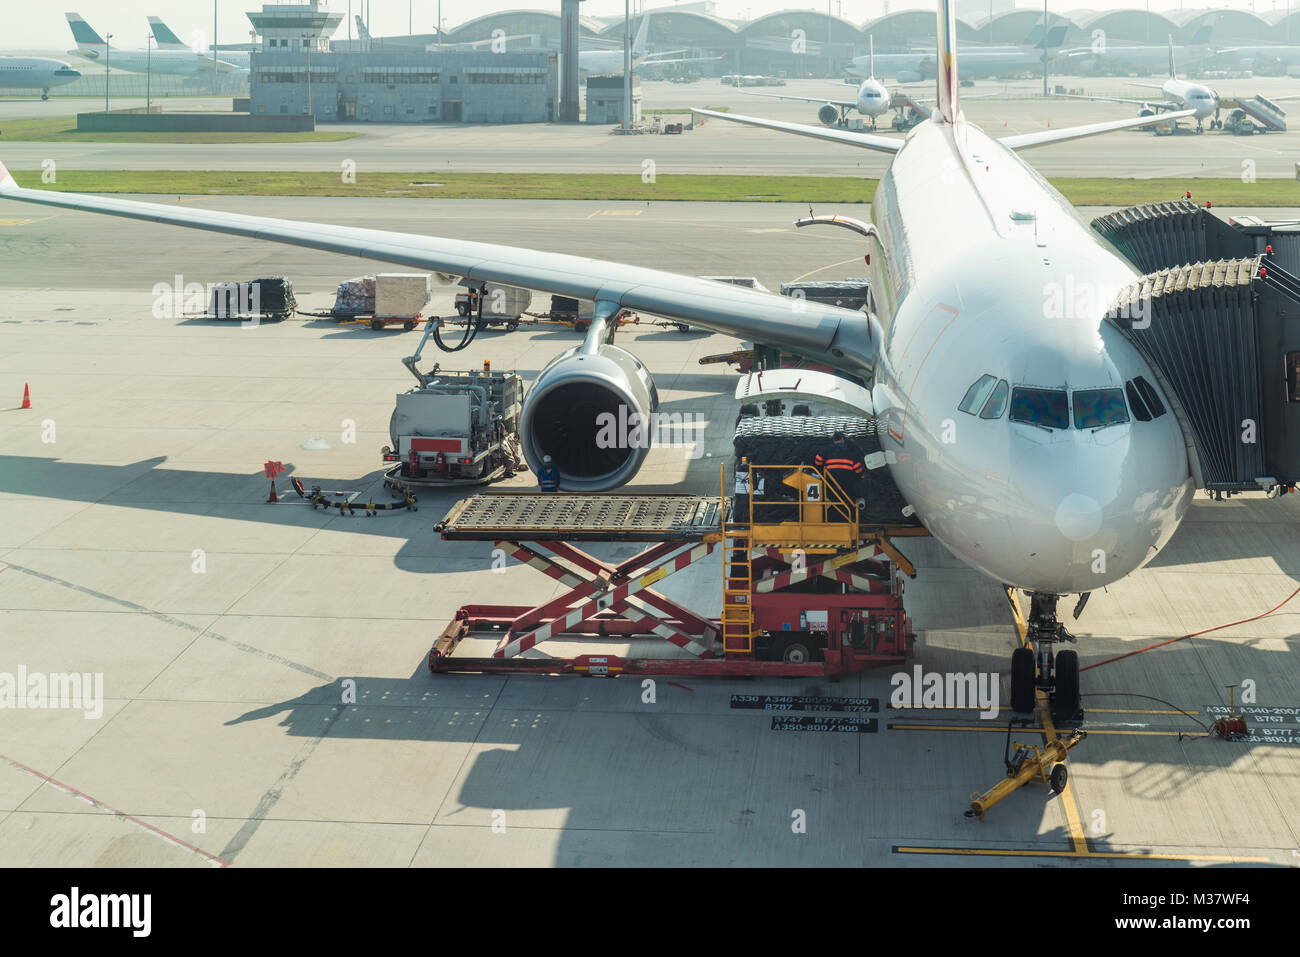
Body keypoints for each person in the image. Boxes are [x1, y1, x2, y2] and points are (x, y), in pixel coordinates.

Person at [813, 431, 865, 516]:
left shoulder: (827, 449)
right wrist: (861, 475)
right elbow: (858, 469)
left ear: (833, 440)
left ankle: (830, 515)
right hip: (847, 483)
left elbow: (818, 460)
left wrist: (820, 468)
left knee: (831, 498)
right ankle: (849, 516)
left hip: (830, 482)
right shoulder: (850, 452)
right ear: (842, 439)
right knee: (848, 499)